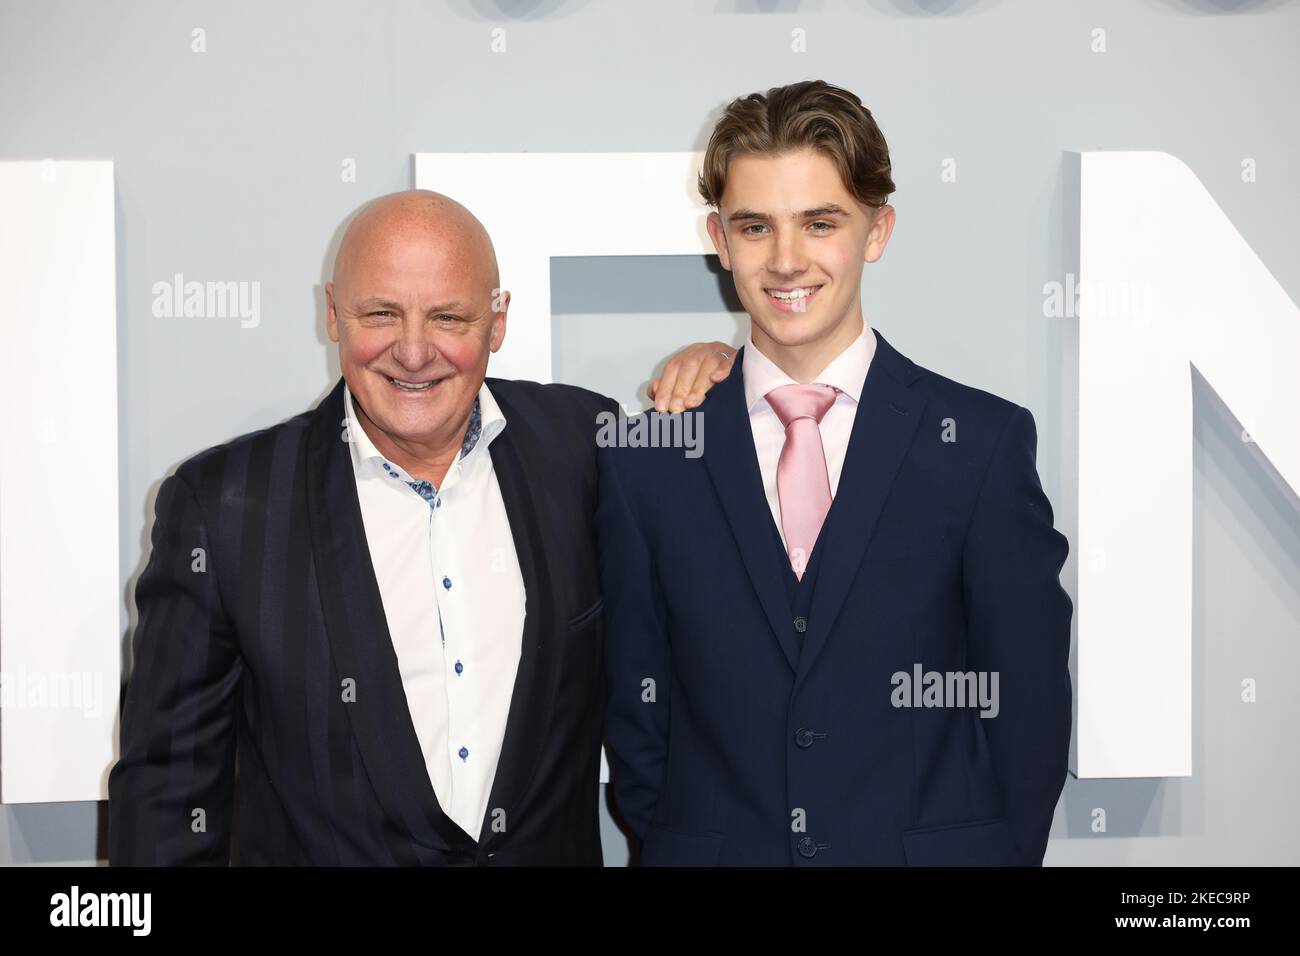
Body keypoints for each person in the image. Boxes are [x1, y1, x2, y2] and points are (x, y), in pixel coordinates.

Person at [108, 190, 733, 865]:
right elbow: (167, 802)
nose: (412, 352)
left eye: (448, 317)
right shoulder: (224, 507)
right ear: (332, 314)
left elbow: (726, 576)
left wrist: (729, 381)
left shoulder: (584, 447)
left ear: (497, 322)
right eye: (380, 313)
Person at [599, 80, 1073, 866]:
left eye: (821, 223)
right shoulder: (651, 461)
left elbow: (1027, 706)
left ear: (877, 229)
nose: (786, 260)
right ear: (719, 238)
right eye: (756, 227)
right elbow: (637, 716)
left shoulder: (980, 446)